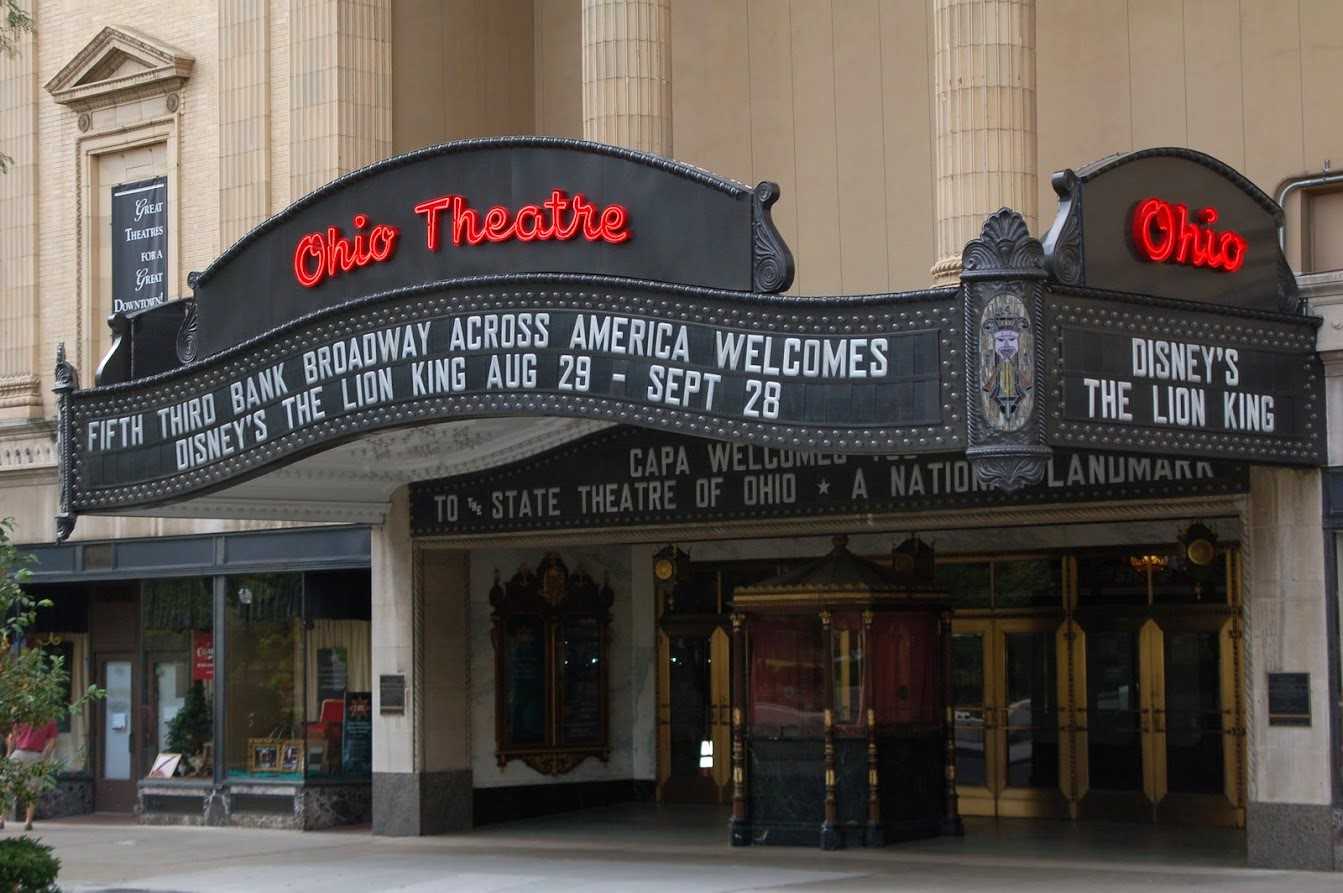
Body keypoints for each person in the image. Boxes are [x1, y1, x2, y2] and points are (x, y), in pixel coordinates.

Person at [4, 720, 59, 831]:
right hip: (36, 755)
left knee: (7, 786)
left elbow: (12, 737)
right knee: (32, 790)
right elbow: (52, 742)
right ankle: (28, 822)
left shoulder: (23, 714)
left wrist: (9, 754)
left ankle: (1, 819)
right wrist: (44, 758)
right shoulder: (50, 719)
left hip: (18, 754)